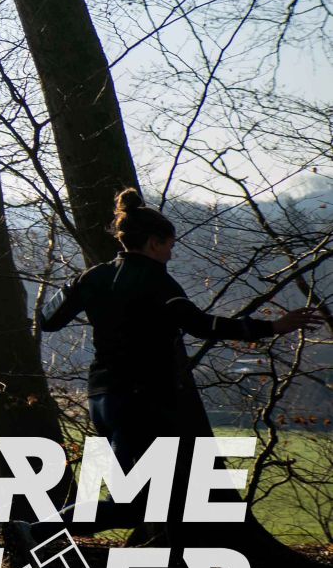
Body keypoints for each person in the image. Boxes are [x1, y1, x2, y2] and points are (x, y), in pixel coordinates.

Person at [25, 188, 323, 549]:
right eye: (169, 245)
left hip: (102, 398)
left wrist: (75, 285)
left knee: (155, 494)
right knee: (132, 505)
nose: (171, 252)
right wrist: (272, 326)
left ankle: (159, 553)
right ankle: (34, 532)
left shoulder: (93, 277)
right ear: (153, 243)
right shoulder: (157, 280)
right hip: (140, 403)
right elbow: (203, 325)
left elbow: (48, 320)